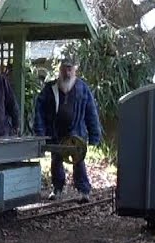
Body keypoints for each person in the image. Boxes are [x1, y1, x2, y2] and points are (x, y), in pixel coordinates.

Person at [34, 58, 103, 203]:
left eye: (70, 69)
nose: (67, 72)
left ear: (75, 70)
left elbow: (91, 112)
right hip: (56, 132)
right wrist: (40, 133)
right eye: (64, 68)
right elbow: (39, 111)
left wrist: (95, 135)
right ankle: (57, 189)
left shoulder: (82, 88)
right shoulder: (50, 89)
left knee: (79, 162)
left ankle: (84, 191)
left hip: (76, 133)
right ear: (60, 70)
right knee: (56, 161)